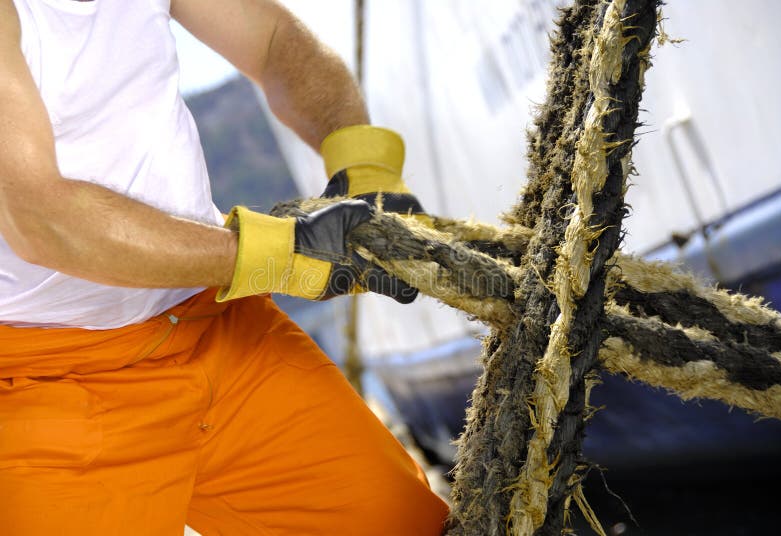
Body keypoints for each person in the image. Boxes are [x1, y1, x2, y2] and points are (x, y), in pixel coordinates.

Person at [0, 0, 449, 534]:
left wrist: (364, 166)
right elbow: (39, 220)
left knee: (402, 523)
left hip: (215, 325)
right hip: (43, 379)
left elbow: (273, 39)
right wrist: (287, 257)